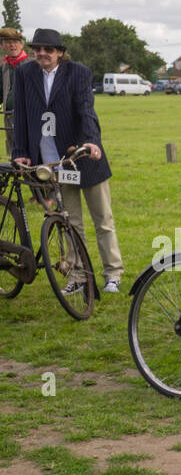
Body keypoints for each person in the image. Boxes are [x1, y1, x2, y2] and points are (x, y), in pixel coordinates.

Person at [10, 28, 125, 292]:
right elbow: (22, 116)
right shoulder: (25, 73)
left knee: (103, 219)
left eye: (48, 49)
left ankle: (112, 273)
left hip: (81, 157)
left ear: (60, 53)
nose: (42, 53)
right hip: (52, 162)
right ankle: (78, 276)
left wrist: (91, 141)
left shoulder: (78, 72)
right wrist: (20, 151)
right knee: (70, 223)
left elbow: (86, 109)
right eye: (38, 49)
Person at [2, 27, 27, 155]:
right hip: (8, 118)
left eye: (16, 41)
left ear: (21, 44)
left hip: (27, 118)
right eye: (8, 42)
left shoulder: (33, 65)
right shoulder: (4, 67)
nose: (12, 45)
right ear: (2, 46)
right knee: (14, 156)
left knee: (29, 155)